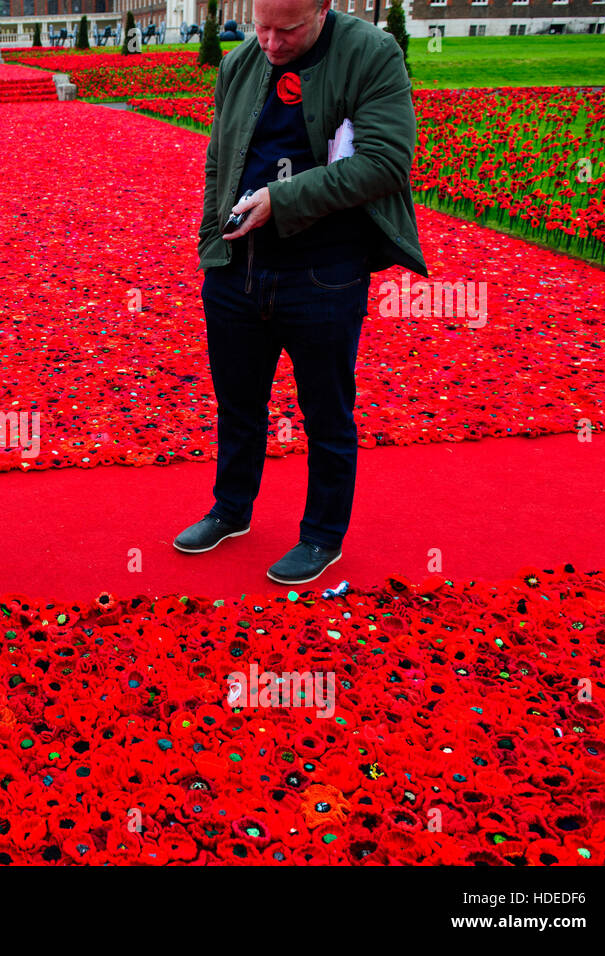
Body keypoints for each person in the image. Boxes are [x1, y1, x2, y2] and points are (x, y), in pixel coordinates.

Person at [180, 0, 426, 585]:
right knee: (238, 404)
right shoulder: (242, 62)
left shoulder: (370, 53)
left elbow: (387, 162)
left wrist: (280, 201)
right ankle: (231, 510)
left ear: (323, 9)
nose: (268, 42)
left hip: (324, 271)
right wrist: (213, 241)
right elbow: (220, 158)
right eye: (260, 26)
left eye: (285, 30)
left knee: (326, 413)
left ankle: (321, 536)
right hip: (239, 269)